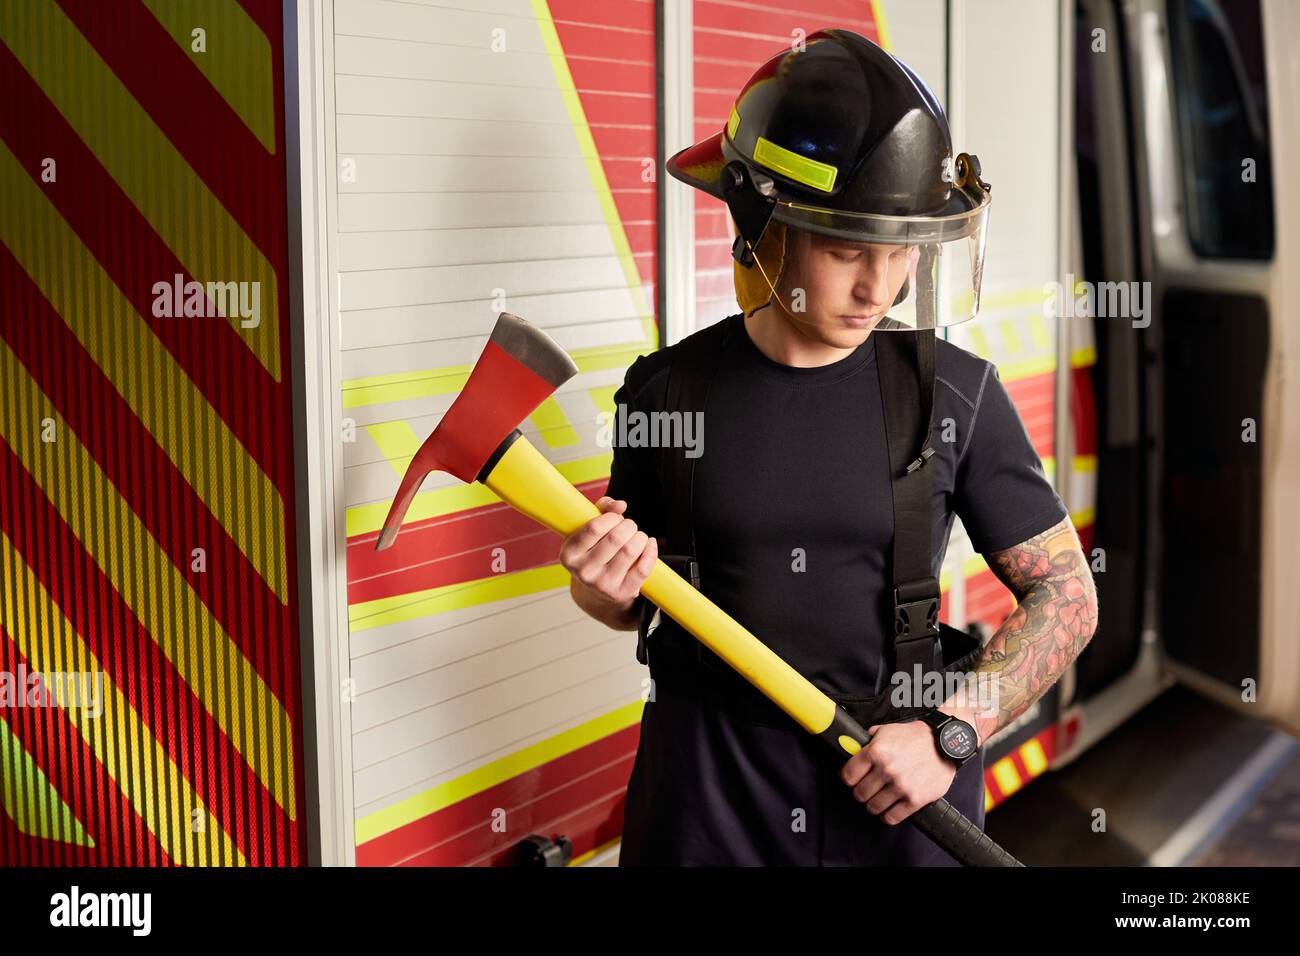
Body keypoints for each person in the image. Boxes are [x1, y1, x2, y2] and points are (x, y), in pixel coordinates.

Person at [560, 29, 1098, 865]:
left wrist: (952, 733)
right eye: (848, 250)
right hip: (709, 791)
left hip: (900, 783)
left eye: (901, 253)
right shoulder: (664, 394)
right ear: (764, 225)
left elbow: (1068, 595)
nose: (878, 288)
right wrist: (600, 590)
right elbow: (636, 598)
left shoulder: (955, 393)